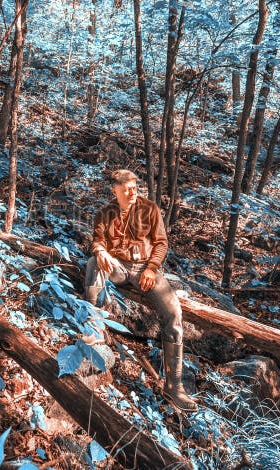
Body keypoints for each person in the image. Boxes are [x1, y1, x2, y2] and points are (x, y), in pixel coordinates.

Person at [84, 169, 198, 412]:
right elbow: (97, 240)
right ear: (115, 190)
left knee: (173, 313)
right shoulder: (105, 213)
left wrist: (152, 268)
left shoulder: (149, 209)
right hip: (118, 267)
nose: (132, 192)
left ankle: (174, 386)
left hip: (146, 270)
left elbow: (161, 243)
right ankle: (93, 330)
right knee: (94, 263)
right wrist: (101, 252)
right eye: (126, 188)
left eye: (135, 187)